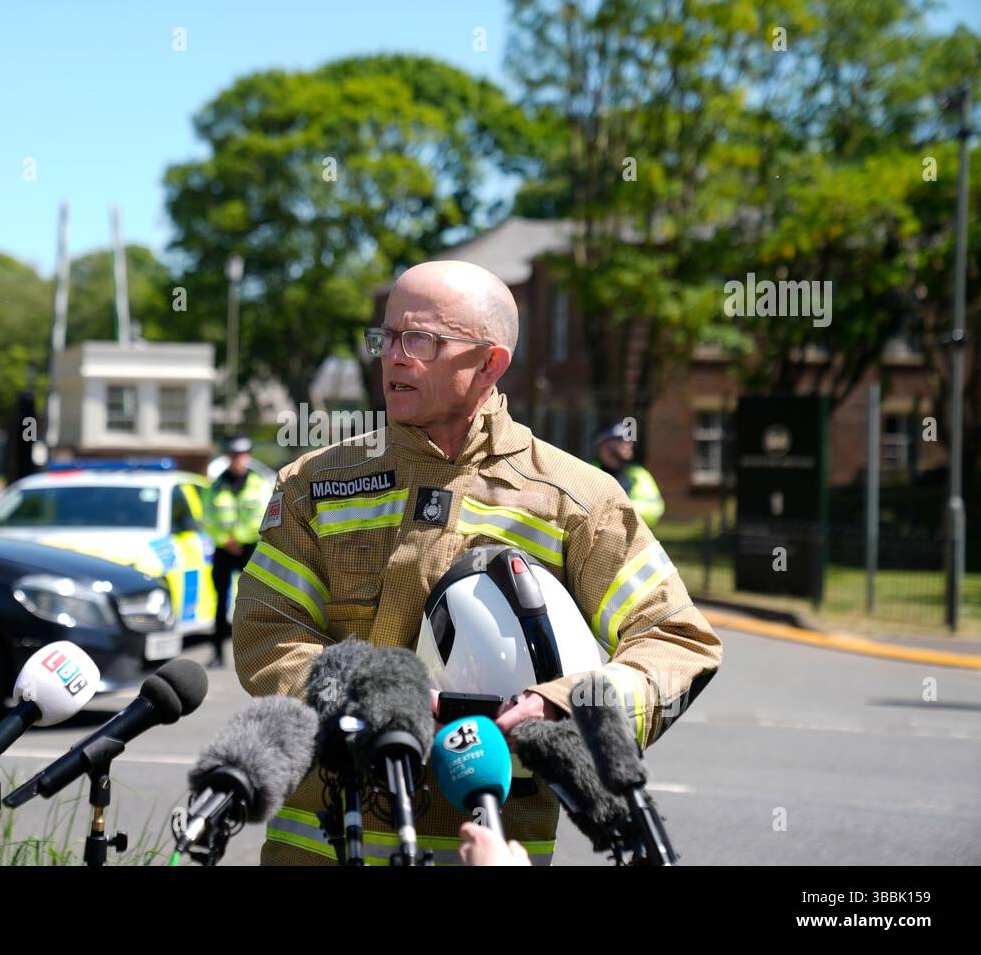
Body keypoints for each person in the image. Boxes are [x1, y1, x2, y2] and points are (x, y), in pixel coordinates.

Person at [232, 259, 721, 866]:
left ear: (490, 363)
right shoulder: (313, 483)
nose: (394, 357)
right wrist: (360, 692)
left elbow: (676, 640)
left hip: (489, 845)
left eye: (422, 341)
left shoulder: (577, 500)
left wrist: (564, 704)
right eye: (388, 337)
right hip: (324, 845)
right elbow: (267, 632)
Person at [202, 435, 272, 668]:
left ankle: (256, 653)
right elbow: (207, 518)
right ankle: (217, 653)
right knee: (219, 602)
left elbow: (265, 515)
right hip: (224, 548)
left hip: (250, 547)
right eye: (233, 456)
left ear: (248, 456)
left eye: (241, 455)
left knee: (253, 601)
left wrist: (241, 538)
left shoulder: (260, 484)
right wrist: (225, 539)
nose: (238, 460)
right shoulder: (215, 486)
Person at [593, 422, 665, 528]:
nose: (629, 443)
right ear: (604, 443)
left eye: (630, 439)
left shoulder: (639, 475)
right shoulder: (589, 473)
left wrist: (619, 509)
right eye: (622, 439)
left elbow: (655, 511)